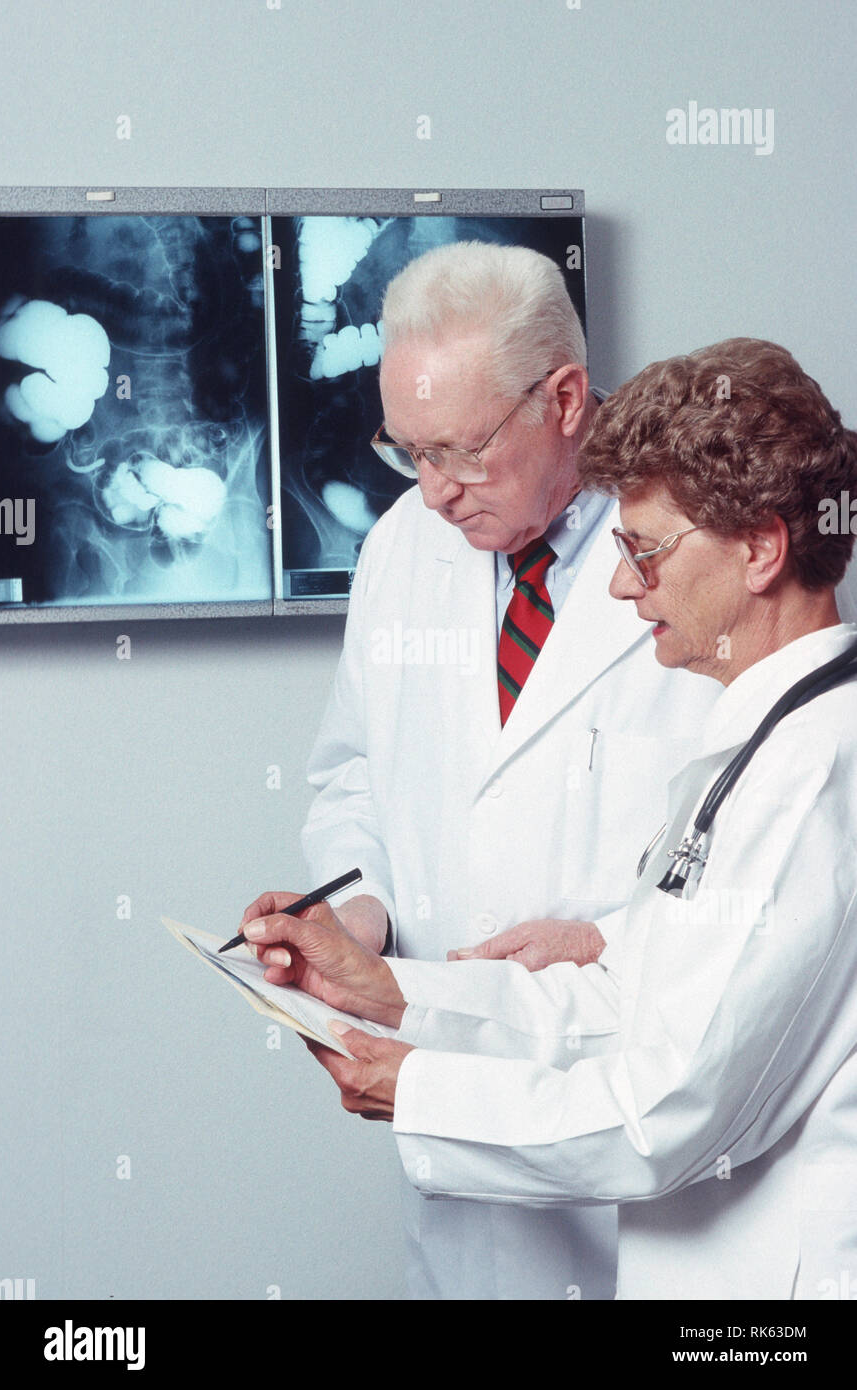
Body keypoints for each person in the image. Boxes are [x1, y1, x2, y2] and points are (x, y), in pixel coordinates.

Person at [244, 338, 857, 1299]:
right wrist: (390, 996)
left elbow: (666, 1111)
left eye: (643, 551)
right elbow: (629, 998)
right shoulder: (758, 749)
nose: (618, 586)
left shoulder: (813, 778)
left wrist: (420, 1092)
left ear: (760, 550)